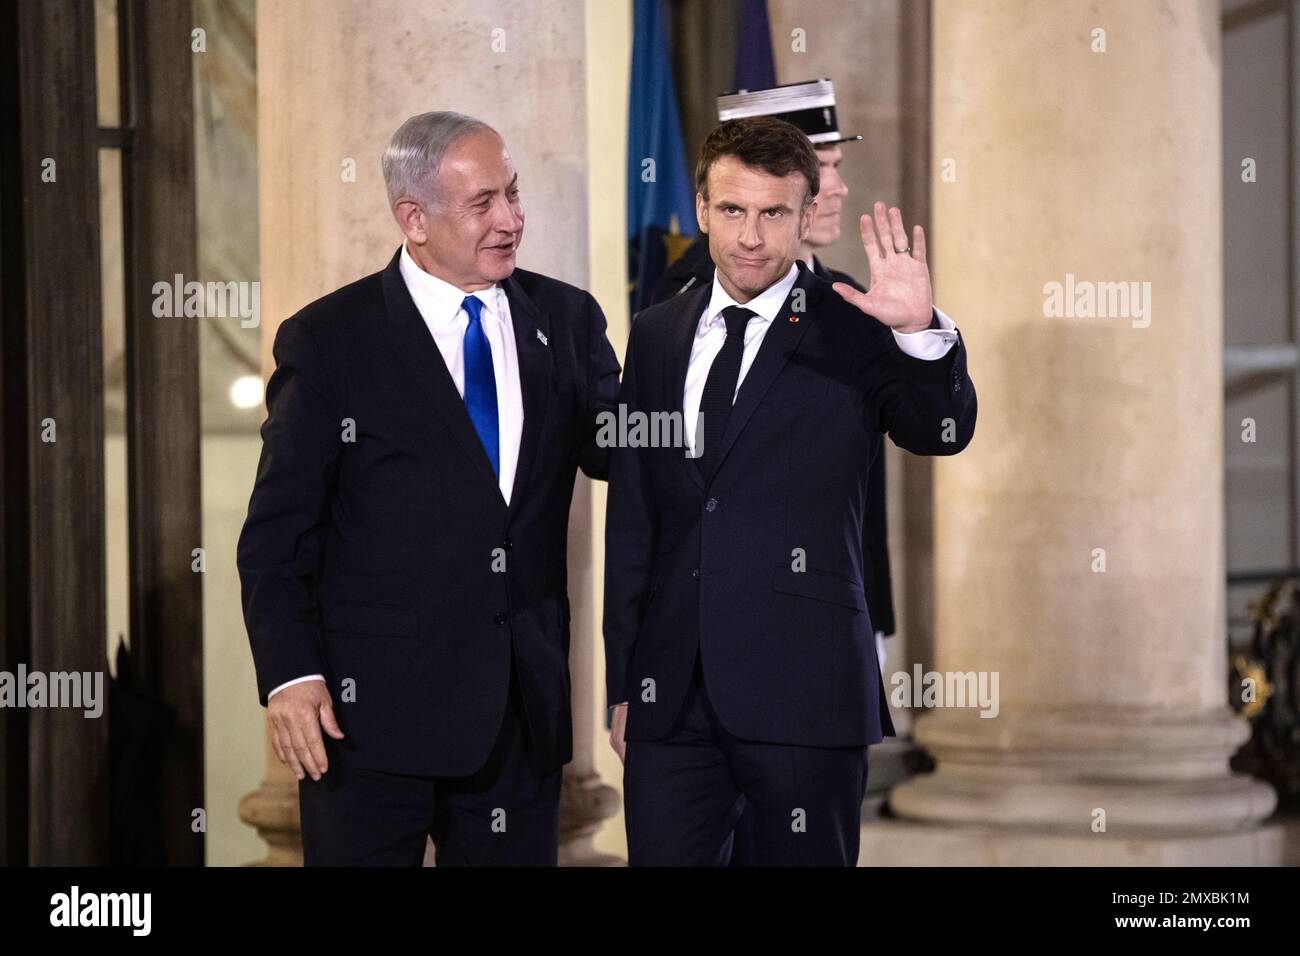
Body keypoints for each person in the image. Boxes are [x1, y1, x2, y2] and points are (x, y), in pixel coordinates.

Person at [237, 111, 620, 866]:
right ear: (413, 218)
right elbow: (279, 533)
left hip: (519, 719)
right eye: (484, 203)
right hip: (368, 726)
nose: (512, 219)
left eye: (513, 194)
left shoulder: (567, 320)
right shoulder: (331, 341)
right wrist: (291, 675)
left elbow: (628, 452)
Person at [604, 116, 975, 866]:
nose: (749, 236)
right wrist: (625, 683)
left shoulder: (852, 320)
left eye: (773, 213)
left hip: (806, 693)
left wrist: (920, 334)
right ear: (703, 209)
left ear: (806, 215)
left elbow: (941, 432)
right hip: (671, 701)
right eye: (733, 210)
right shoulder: (655, 333)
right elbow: (636, 520)